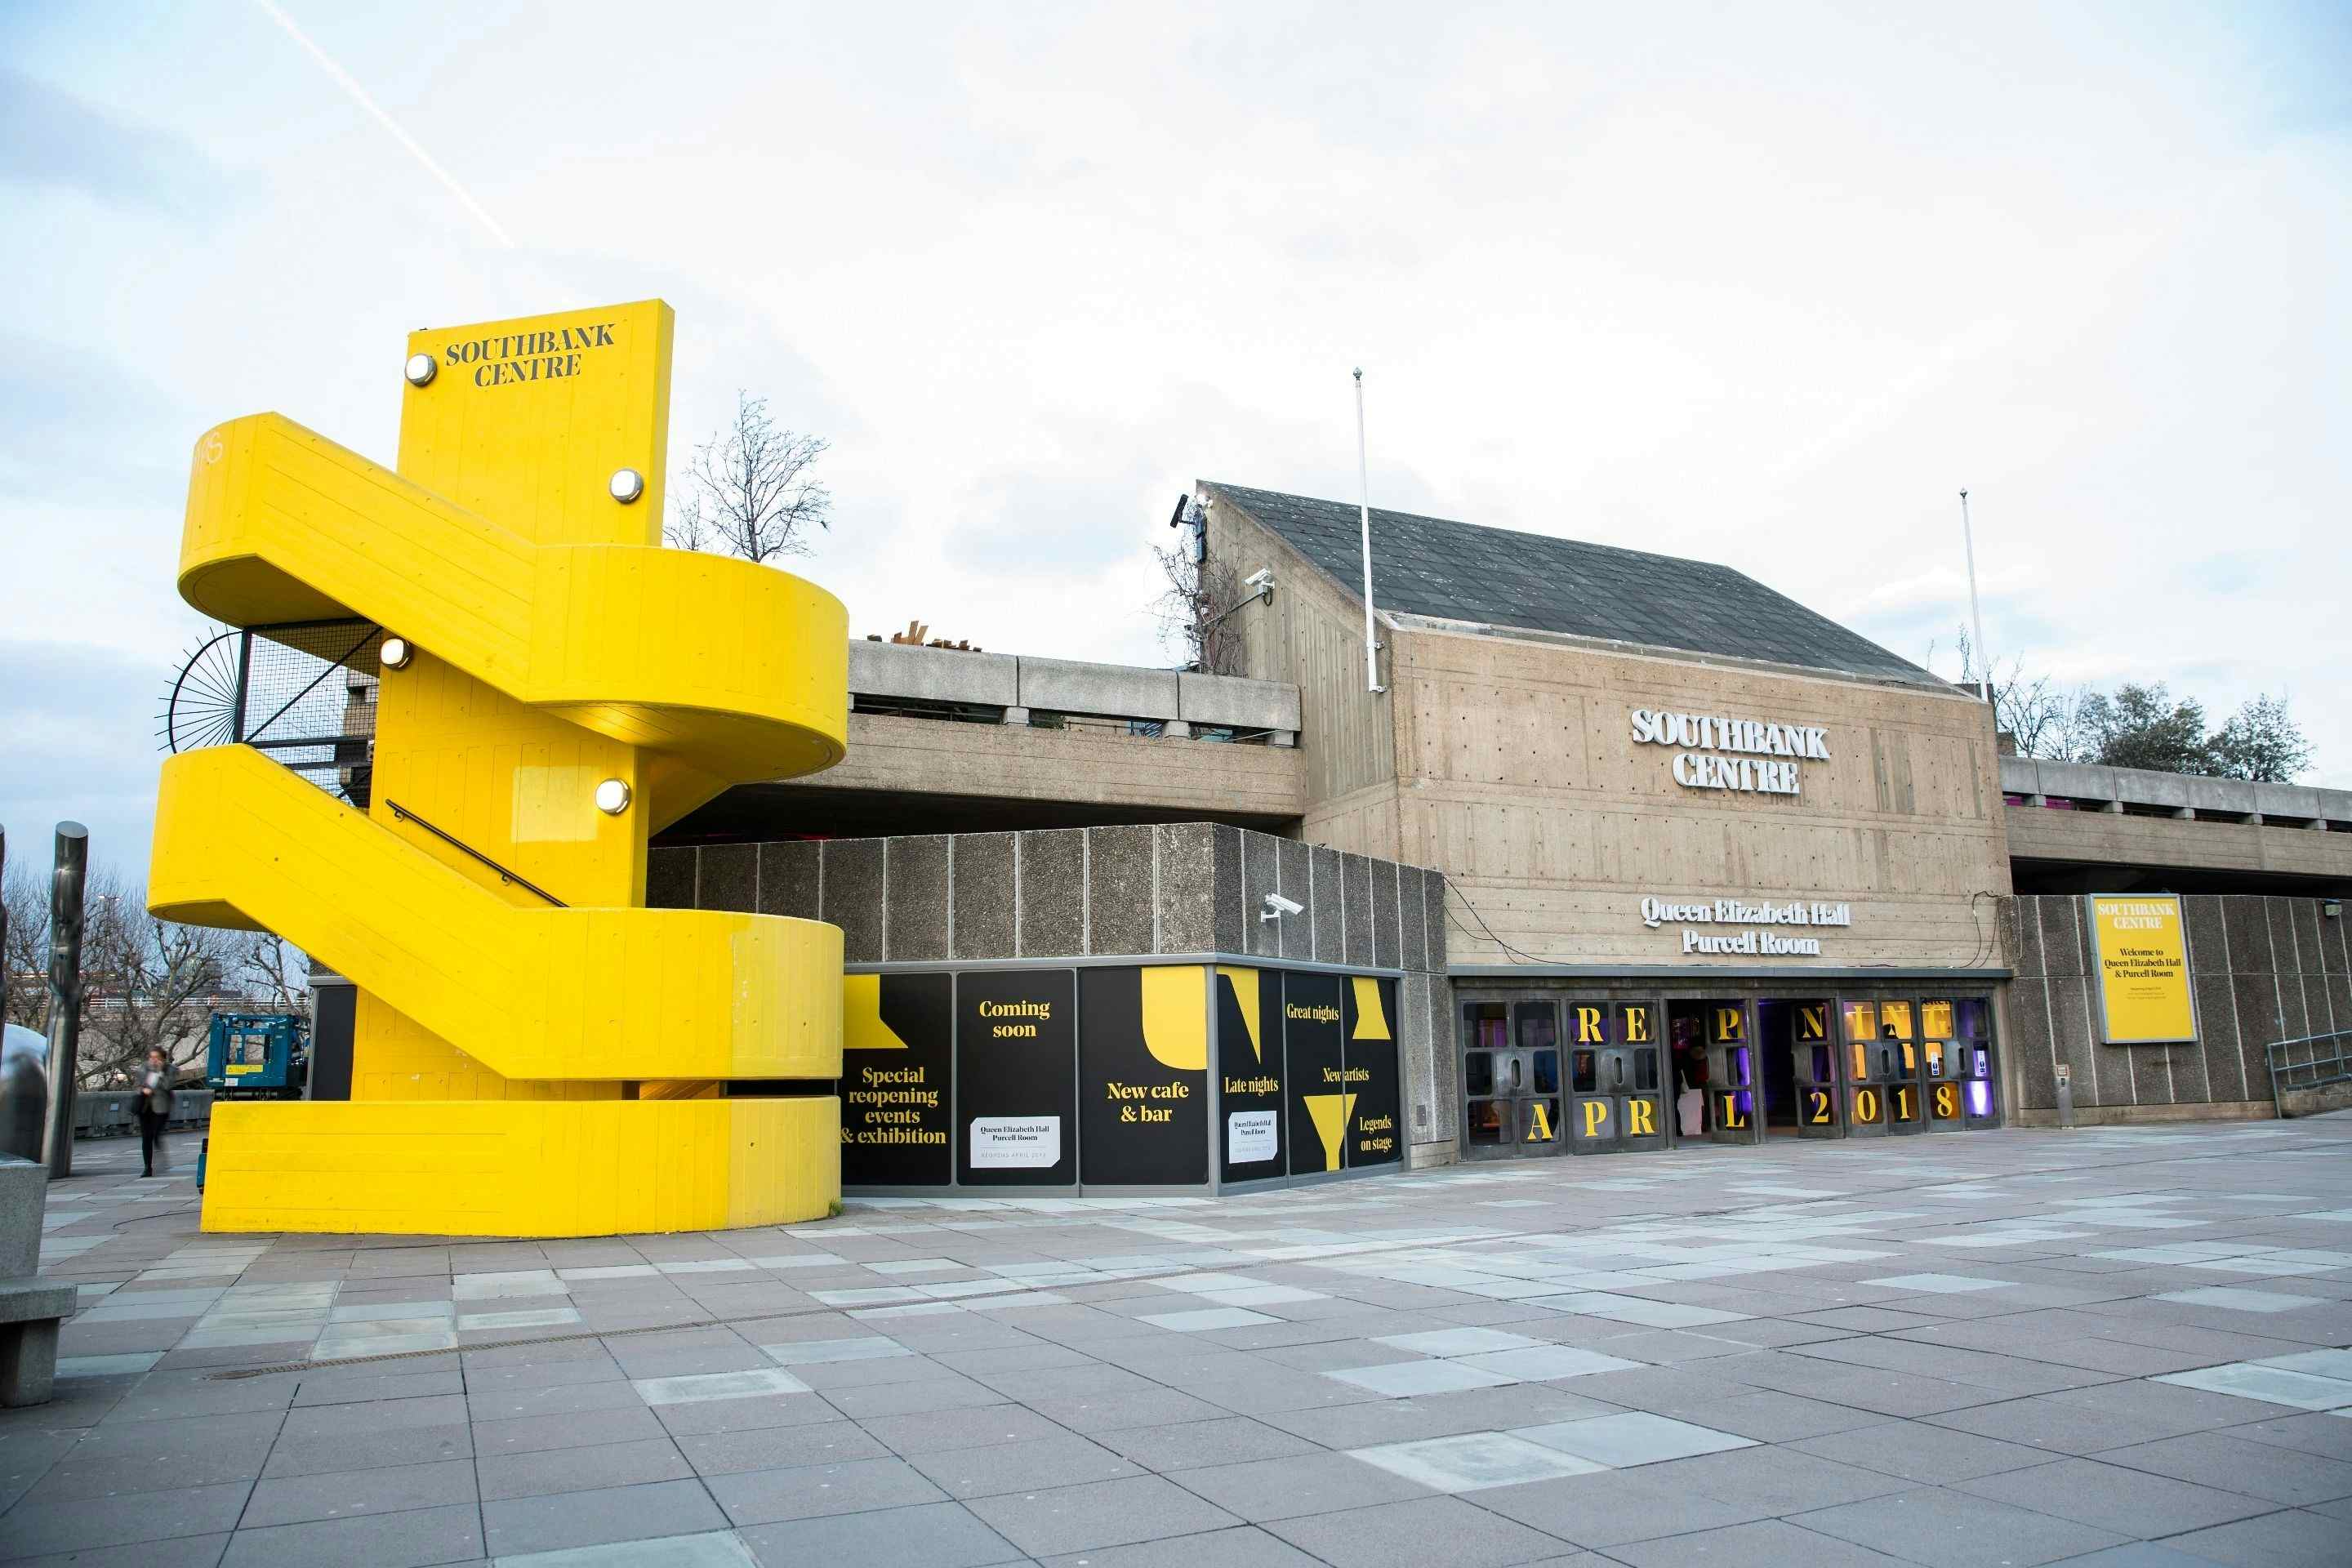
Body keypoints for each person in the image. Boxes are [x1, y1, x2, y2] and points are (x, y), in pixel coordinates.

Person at [137, 1049, 173, 1177]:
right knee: (146, 1137)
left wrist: (160, 1072)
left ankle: (159, 1149)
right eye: (151, 1057)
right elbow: (139, 1083)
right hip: (145, 1106)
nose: (153, 1060)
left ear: (163, 1059)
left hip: (161, 1107)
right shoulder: (144, 1068)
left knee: (156, 1134)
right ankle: (147, 1167)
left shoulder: (170, 1069)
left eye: (157, 1057)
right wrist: (143, 1088)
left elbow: (168, 1085)